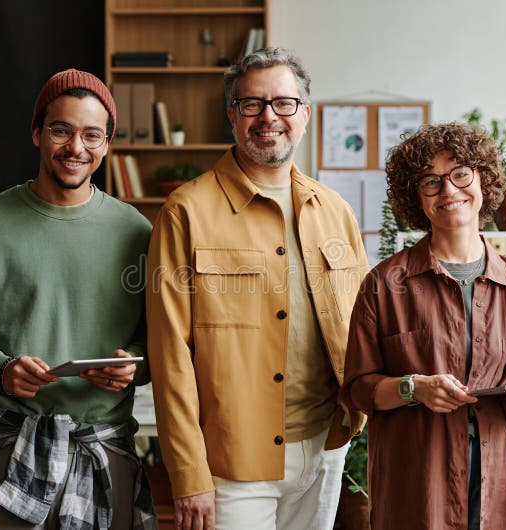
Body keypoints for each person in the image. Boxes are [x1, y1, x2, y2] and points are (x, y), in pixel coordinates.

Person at [146, 47, 367, 530]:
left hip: (326, 446)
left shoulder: (335, 211)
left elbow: (361, 324)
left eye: (284, 103)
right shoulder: (186, 211)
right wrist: (188, 474)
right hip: (231, 462)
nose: (269, 117)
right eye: (252, 104)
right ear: (232, 116)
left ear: (304, 115)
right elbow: (169, 355)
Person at [0, 68, 157, 530]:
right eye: (61, 130)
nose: (76, 148)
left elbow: (164, 340)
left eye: (92, 135)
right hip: (7, 452)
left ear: (107, 143)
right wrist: (0, 367)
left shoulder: (137, 232)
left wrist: (134, 364)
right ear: (37, 133)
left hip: (104, 452)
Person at [339, 122, 506, 530]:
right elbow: (357, 390)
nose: (449, 191)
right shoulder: (384, 283)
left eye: (460, 174)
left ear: (483, 181)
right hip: (418, 480)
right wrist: (412, 388)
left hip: (499, 475)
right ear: (415, 197)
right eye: (431, 182)